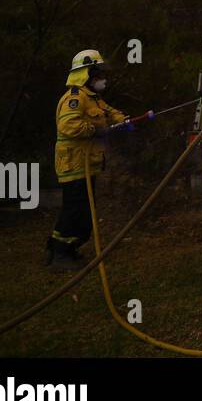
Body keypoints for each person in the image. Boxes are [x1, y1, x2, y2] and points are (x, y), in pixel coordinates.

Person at [46, 50, 131, 271]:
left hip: (86, 165)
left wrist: (124, 121)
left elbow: (110, 113)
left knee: (81, 210)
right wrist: (95, 130)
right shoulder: (74, 98)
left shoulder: (93, 99)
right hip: (74, 163)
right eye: (98, 74)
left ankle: (65, 248)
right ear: (86, 74)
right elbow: (68, 126)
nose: (102, 79)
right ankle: (60, 255)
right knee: (75, 210)